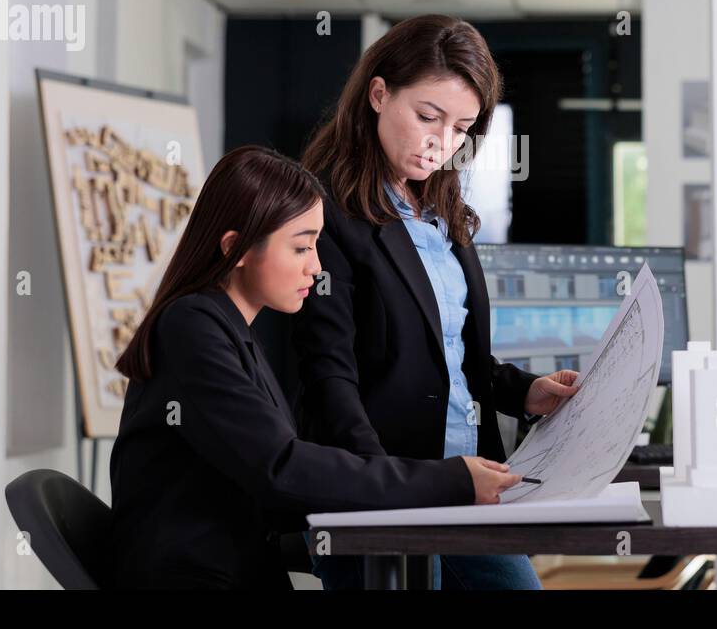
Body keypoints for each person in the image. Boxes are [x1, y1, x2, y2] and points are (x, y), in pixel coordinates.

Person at [107, 145, 520, 589]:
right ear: (237, 247)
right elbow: (282, 467)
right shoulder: (193, 328)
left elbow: (274, 475)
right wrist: (449, 479)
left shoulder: (226, 328)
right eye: (302, 247)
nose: (317, 267)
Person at [294, 14, 580, 590]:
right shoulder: (321, 214)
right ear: (378, 94)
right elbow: (330, 381)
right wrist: (388, 491)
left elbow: (450, 358)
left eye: (461, 128)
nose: (441, 144)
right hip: (374, 494)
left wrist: (524, 391)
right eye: (427, 117)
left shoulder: (440, 210)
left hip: (464, 486)